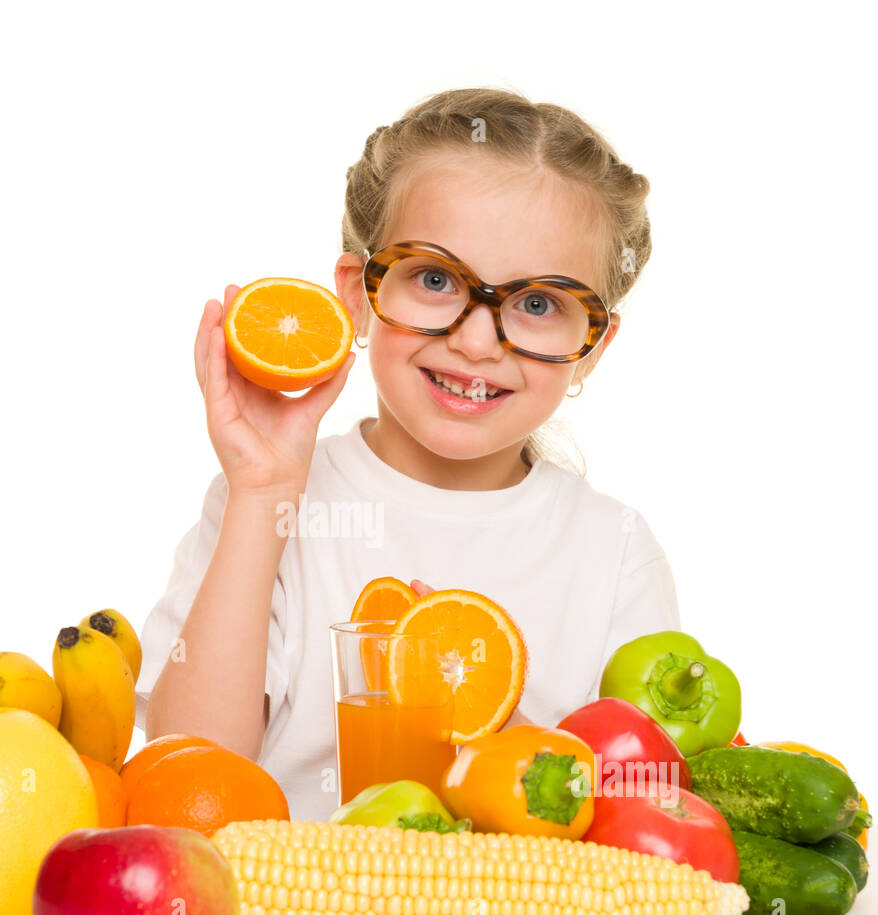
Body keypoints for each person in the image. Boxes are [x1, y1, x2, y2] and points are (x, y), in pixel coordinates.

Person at [137, 87, 678, 821]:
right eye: (434, 279)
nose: (478, 341)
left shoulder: (613, 554)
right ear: (358, 295)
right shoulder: (269, 502)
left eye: (540, 304)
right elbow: (189, 787)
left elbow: (635, 816)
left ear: (591, 349)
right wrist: (263, 492)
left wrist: (473, 710)